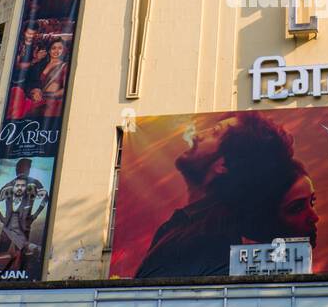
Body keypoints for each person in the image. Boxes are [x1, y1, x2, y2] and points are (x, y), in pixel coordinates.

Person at [135, 113, 318, 277]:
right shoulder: (189, 224)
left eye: (214, 132)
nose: (197, 135)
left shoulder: (210, 238)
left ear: (222, 165)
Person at [0, 158, 49, 272]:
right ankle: (1, 277)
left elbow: (45, 198)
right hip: (9, 225)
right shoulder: (10, 185)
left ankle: (16, 275)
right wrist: (2, 218)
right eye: (19, 167)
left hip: (23, 224)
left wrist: (35, 215)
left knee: (21, 255)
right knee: (4, 253)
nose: (20, 170)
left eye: (24, 167)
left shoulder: (34, 183)